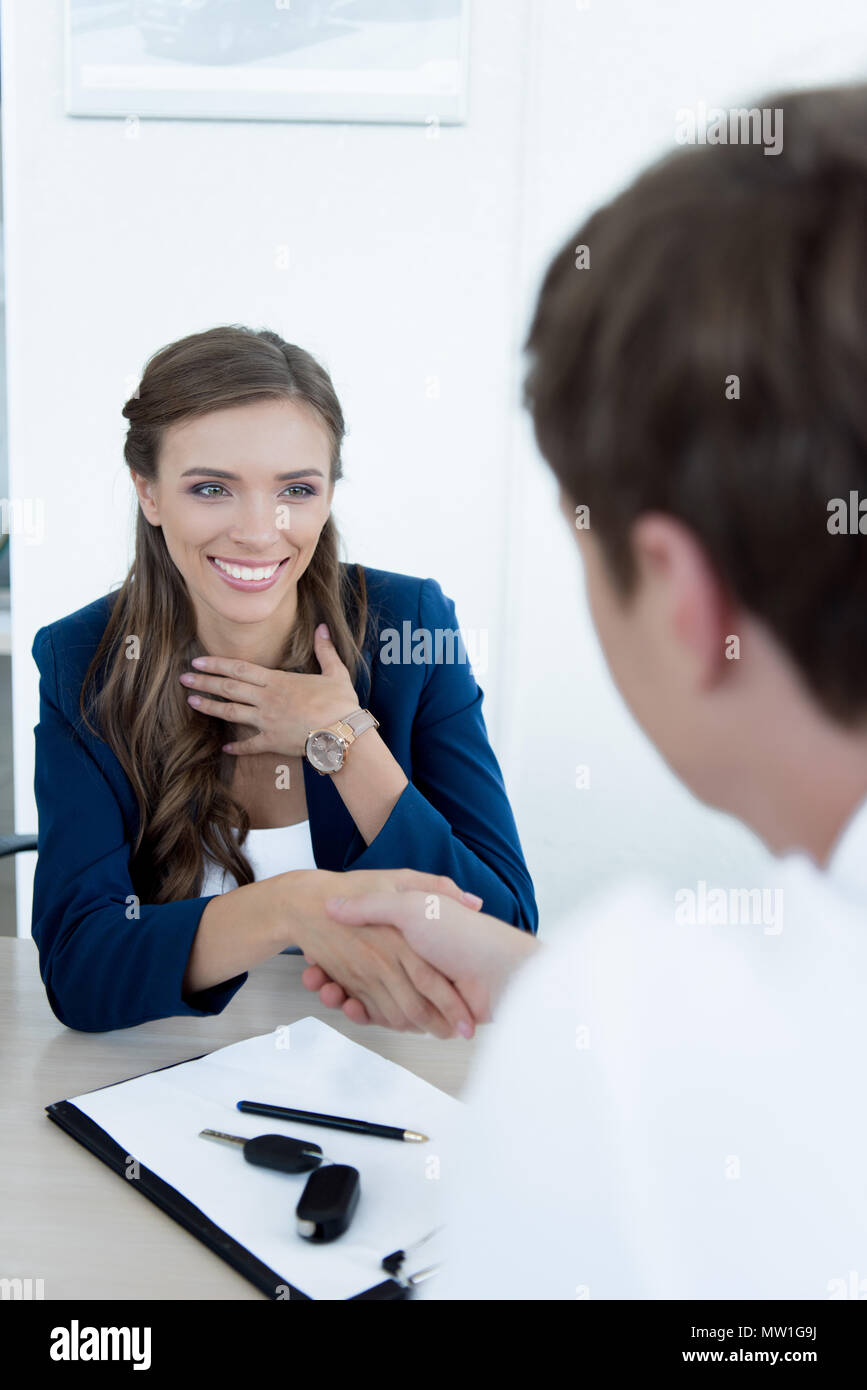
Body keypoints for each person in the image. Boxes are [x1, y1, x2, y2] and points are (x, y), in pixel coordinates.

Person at [306, 83, 867, 1297]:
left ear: (675, 591)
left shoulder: (633, 1051)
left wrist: (345, 739)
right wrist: (539, 987)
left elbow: (501, 889)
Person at [30, 326, 537, 1034]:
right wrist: (293, 905)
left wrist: (343, 739)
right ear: (148, 492)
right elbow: (81, 971)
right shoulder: (83, 658)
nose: (260, 532)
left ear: (329, 493)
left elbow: (503, 932)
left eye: (296, 489)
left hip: (383, 1063)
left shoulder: (405, 630)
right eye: (212, 488)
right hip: (170, 1074)